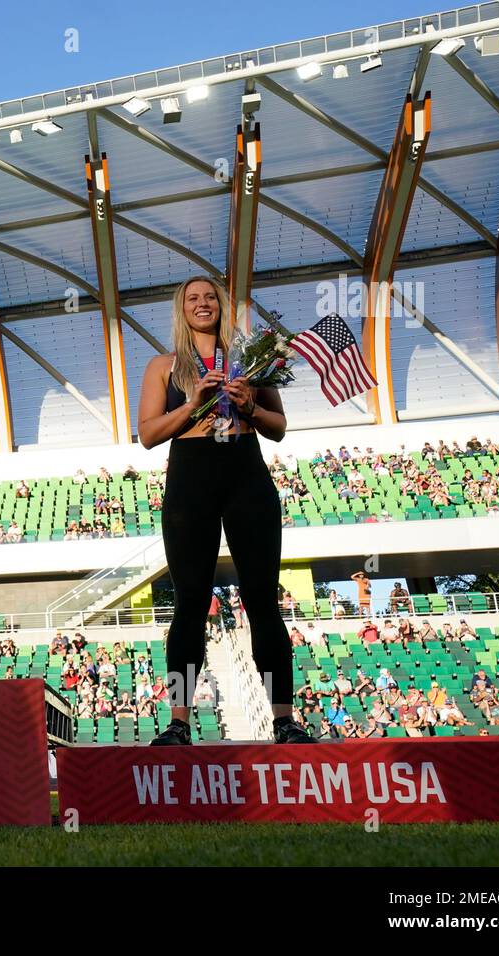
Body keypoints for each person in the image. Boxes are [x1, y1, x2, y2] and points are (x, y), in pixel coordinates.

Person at [137, 275, 314, 744]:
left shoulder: (252, 359)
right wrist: (194, 403)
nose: (202, 304)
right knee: (190, 603)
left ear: (221, 306)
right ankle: (178, 723)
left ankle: (283, 720)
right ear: (182, 309)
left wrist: (249, 407)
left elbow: (278, 427)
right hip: (190, 479)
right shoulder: (164, 366)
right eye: (192, 298)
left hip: (245, 474)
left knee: (262, 600)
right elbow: (149, 434)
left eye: (210, 297)